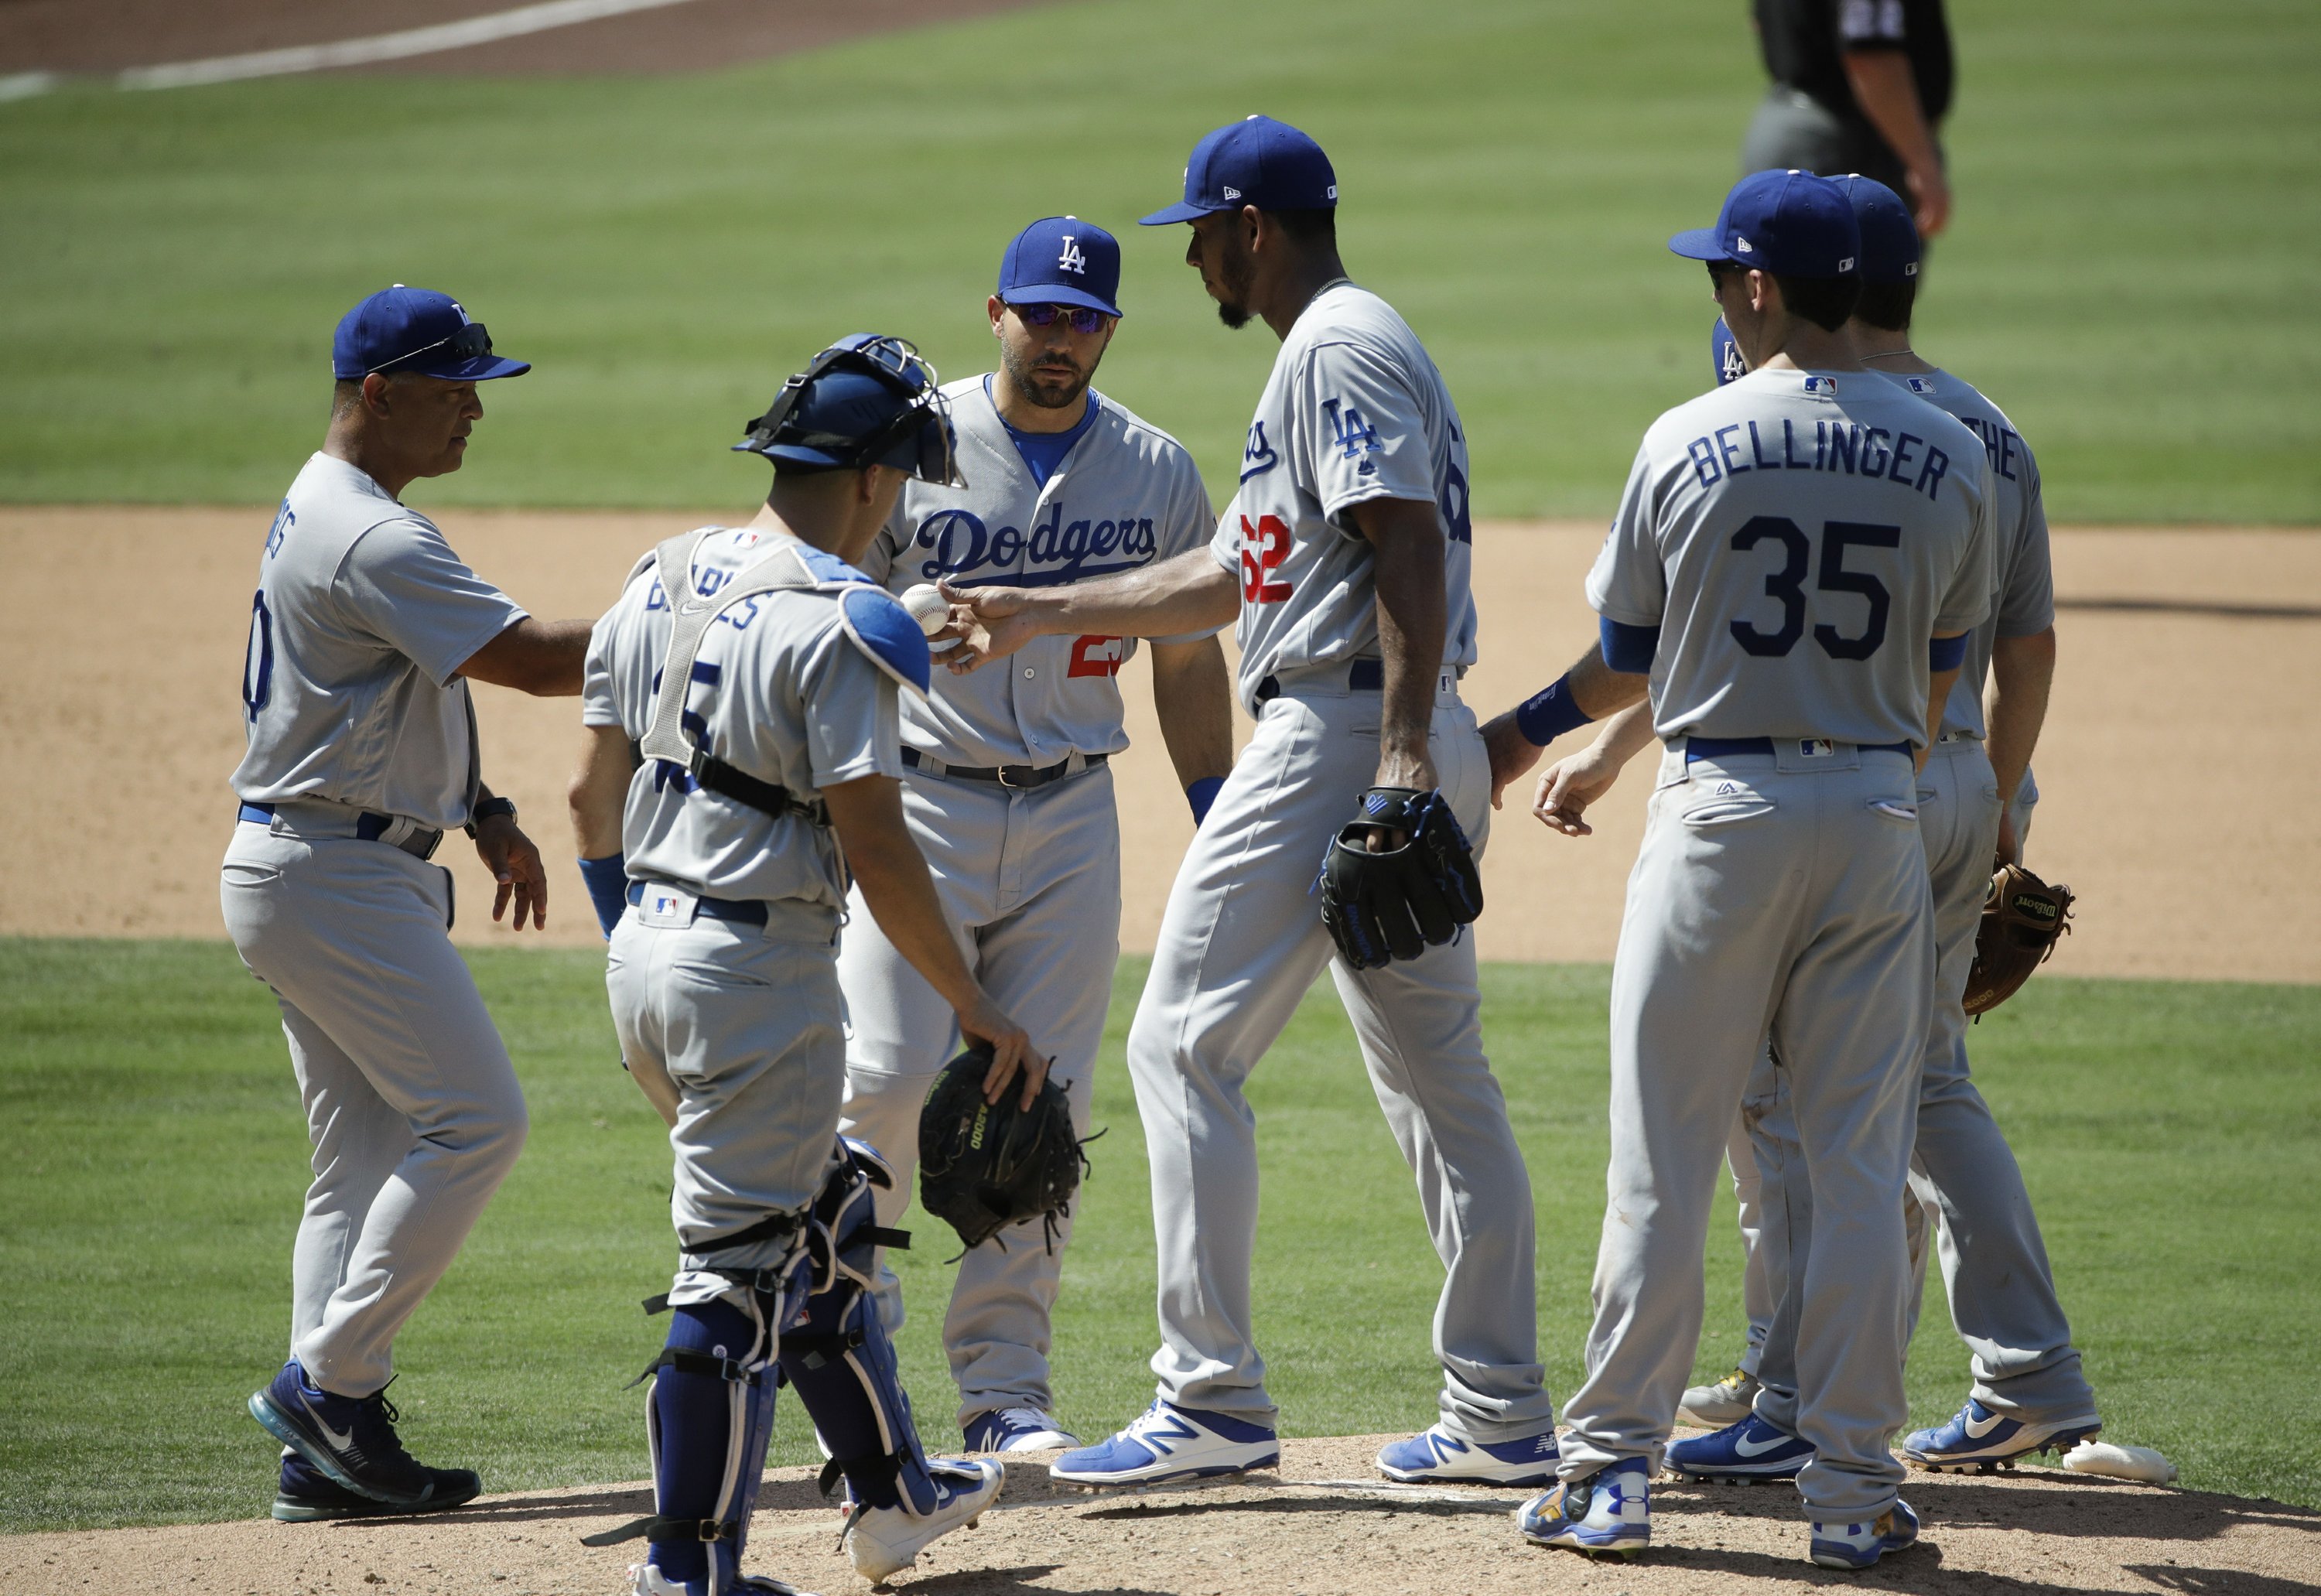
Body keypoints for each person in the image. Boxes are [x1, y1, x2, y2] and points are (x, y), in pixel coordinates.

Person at [943, 114, 1559, 1492]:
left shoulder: (1337, 345)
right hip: (1386, 723)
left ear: (1253, 228)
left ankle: (1209, 1395)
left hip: (1349, 734)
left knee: (1179, 1047)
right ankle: (1502, 1406)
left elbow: (1403, 535)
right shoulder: (1334, 352)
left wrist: (1397, 757)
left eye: (1201, 233)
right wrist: (1037, 609)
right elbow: (1233, 575)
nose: (1194, 259)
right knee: (1440, 1084)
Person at [1484, 169, 1995, 1568]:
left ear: (1762, 286)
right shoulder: (1953, 451)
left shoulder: (1690, 434)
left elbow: (1628, 659)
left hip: (1719, 815)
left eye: (1721, 273)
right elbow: (1945, 686)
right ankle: (1852, 1490)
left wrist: (1525, 733)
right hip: (1879, 821)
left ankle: (1609, 1474)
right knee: (1851, 1164)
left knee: (1663, 1159)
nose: (1714, 290)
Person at [566, 334, 1040, 1595]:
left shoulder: (655, 577)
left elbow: (587, 800)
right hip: (756, 980)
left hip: (643, 956)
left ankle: (892, 1496)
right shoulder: (844, 622)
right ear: (879, 483)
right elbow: (879, 846)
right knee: (729, 1271)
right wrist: (977, 1005)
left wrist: (643, 943)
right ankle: (688, 1569)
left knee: (825, 1211)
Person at [1656, 176, 2095, 1490]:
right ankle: (2014, 1372)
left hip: (1868, 784)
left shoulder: (1823, 422)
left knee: (1807, 1094)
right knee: (1923, 1081)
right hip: (1962, 783)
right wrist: (2002, 800)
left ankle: (1802, 1393)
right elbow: (2029, 641)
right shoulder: (1989, 428)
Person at [832, 217, 1233, 1455]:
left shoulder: (1157, 469)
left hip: (1071, 811)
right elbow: (818, 590)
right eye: (1038, 314)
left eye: (1083, 319)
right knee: (885, 1078)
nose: (1059, 339)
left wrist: (1221, 817)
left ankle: (1006, 1385)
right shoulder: (916, 443)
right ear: (993, 313)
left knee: (1036, 1105)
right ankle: (853, 1340)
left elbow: (1186, 654)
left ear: (1110, 326)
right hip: (920, 802)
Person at [230, 285, 593, 1522]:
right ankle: (329, 1385)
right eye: (453, 390)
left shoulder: (336, 504)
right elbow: (537, 659)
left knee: (360, 1158)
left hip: (310, 861)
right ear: (377, 394)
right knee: (477, 1121)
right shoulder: (372, 532)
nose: (474, 413)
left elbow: (397, 684)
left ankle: (324, 1455)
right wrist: (693, 620)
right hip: (336, 875)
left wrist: (481, 806)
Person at [1742, 0, 1955, 240]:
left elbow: (1759, 21)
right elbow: (1869, 53)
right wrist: (1923, 162)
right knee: (1863, 273)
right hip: (1844, 142)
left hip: (1787, 121)